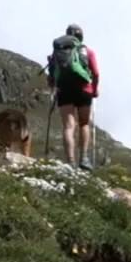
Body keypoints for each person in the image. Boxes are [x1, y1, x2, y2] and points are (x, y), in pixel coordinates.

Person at [46, 23, 100, 170]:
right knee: (83, 124)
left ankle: (70, 162)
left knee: (68, 127)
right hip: (84, 89)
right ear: (80, 37)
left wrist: (53, 89)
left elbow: (51, 77)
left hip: (64, 90)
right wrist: (94, 90)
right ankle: (84, 159)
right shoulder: (87, 51)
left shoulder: (56, 54)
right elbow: (95, 73)